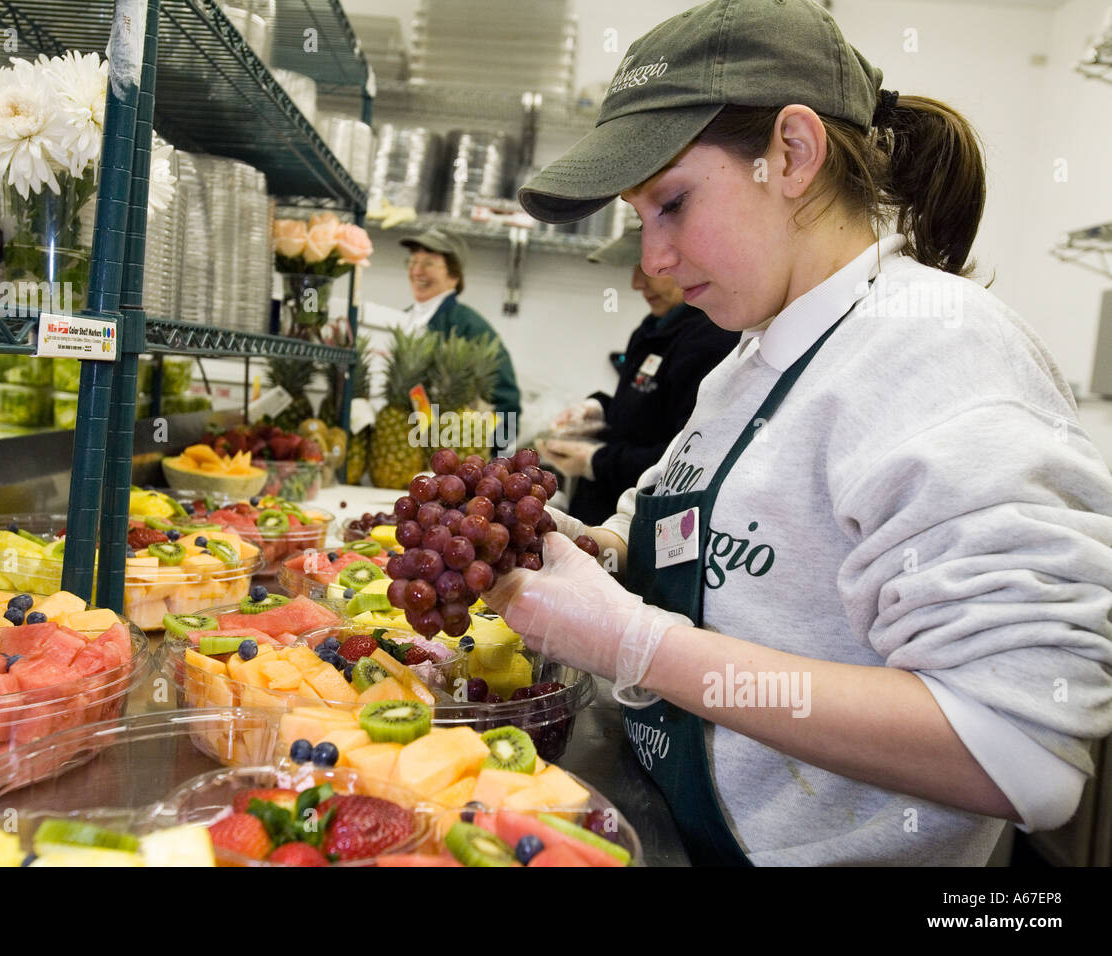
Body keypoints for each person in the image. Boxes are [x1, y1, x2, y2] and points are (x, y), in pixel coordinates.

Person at [484, 0, 1112, 866]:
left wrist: (638, 645)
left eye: (672, 203)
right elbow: (689, 534)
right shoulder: (753, 361)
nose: (653, 259)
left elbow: (1019, 757)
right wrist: (585, 548)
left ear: (793, 152)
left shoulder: (940, 351)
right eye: (641, 219)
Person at [540, 229, 739, 526]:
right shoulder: (651, 329)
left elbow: (686, 456)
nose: (636, 283)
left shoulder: (713, 340)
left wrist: (595, 461)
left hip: (643, 524)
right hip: (601, 511)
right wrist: (597, 409)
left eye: (646, 267)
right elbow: (641, 411)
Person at [399, 228, 521, 446]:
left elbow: (507, 404)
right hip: (400, 442)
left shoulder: (470, 326)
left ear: (454, 275)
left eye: (428, 263)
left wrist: (488, 456)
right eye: (413, 262)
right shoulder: (401, 320)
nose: (417, 271)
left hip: (451, 453)